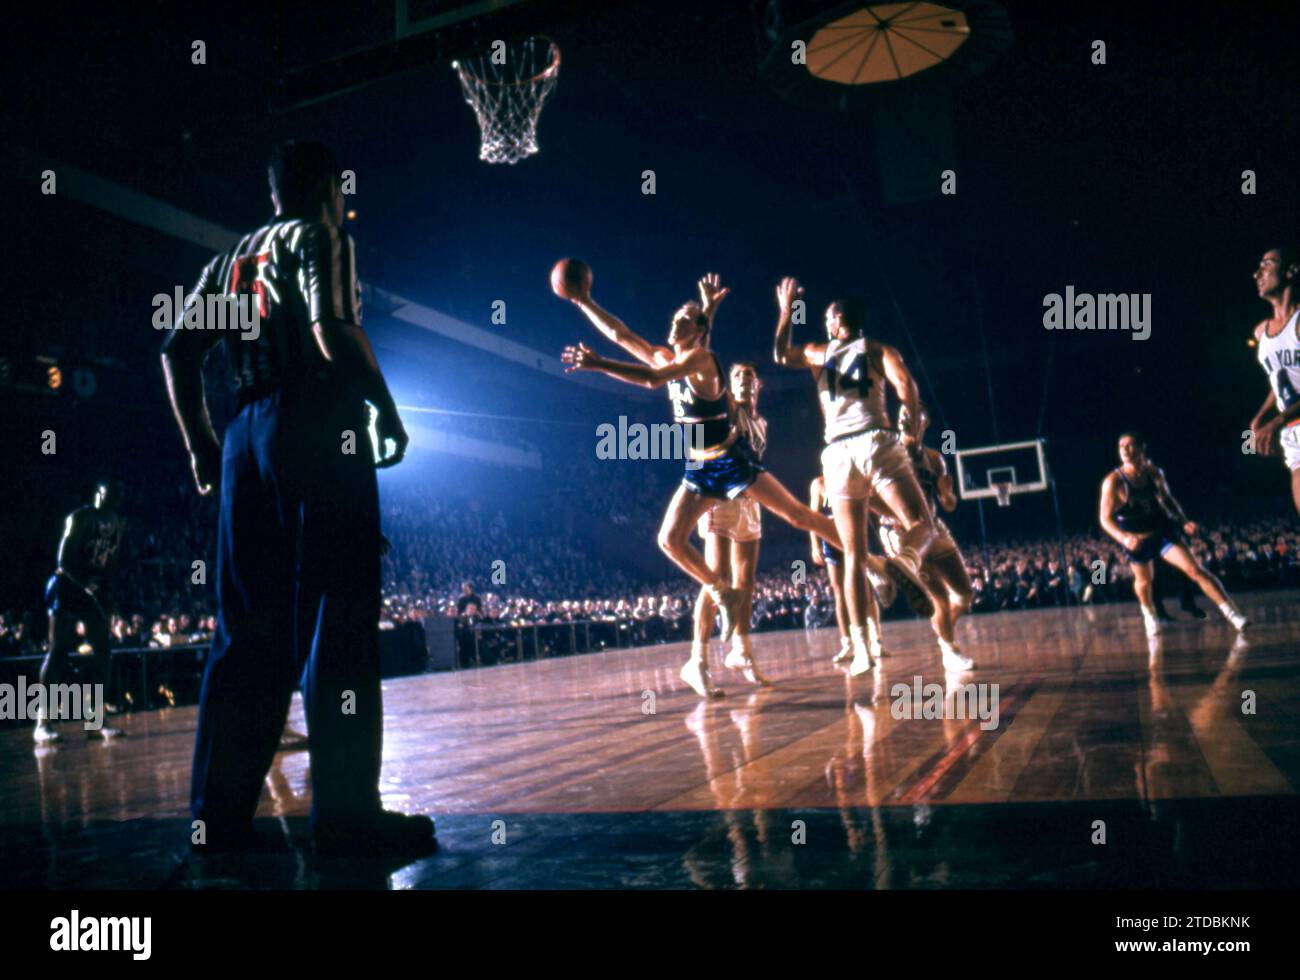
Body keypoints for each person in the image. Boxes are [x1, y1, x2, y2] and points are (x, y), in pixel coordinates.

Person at [160, 139, 433, 855]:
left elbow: (177, 351)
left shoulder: (230, 258)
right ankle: (345, 820)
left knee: (245, 631)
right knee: (335, 619)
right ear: (328, 191)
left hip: (244, 433)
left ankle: (214, 822)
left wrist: (201, 443)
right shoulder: (322, 237)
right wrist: (385, 408)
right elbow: (331, 331)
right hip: (314, 424)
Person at [558, 271, 842, 698]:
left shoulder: (702, 362)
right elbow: (621, 333)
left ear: (698, 332)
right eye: (674, 319)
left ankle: (866, 559)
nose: (673, 324)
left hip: (729, 461)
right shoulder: (667, 356)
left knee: (795, 517)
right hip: (700, 467)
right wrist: (584, 303)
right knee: (669, 540)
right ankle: (716, 596)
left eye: (683, 321)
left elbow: (654, 379)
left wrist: (597, 364)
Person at [773, 278, 935, 677]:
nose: (825, 324)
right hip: (875, 440)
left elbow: (779, 355)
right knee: (920, 523)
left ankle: (862, 650)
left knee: (853, 555)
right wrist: (911, 426)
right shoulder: (880, 350)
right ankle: (905, 561)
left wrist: (786, 308)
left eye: (828, 318)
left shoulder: (818, 352)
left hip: (836, 454)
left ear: (836, 320)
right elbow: (906, 386)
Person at [1098, 432, 1248, 638]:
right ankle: (1149, 614)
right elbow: (1105, 519)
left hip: (1161, 532)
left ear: (1142, 448)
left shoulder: (1154, 473)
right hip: (1137, 539)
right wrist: (1124, 538)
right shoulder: (1114, 481)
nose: (1124, 450)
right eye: (1121, 446)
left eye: (1129, 445)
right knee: (1144, 582)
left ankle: (1233, 614)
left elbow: (1168, 500)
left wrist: (1184, 521)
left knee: (1195, 570)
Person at [694, 363, 770, 686]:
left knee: (746, 580)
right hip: (719, 496)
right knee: (717, 579)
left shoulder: (762, 422)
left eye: (749, 375)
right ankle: (697, 660)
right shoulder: (724, 408)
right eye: (737, 375)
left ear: (759, 385)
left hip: (749, 502)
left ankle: (741, 650)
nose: (743, 380)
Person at [35, 479, 127, 743]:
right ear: (99, 495)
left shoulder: (117, 526)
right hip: (67, 585)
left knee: (103, 650)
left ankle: (95, 720)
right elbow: (63, 560)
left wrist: (107, 594)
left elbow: (111, 565)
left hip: (92, 590)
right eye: (109, 495)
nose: (112, 502)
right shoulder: (80, 518)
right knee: (59, 649)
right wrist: (87, 585)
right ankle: (43, 721)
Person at [1247, 246, 1300, 515]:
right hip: (1292, 428)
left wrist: (1275, 421)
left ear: (1291, 271)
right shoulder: (1261, 333)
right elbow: (1279, 380)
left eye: (1267, 264)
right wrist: (1260, 417)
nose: (1258, 273)